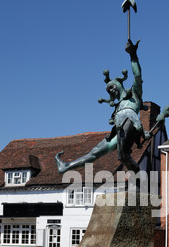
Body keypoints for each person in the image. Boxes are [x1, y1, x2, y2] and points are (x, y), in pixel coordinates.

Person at [55, 39, 151, 174]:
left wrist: (133, 55)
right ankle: (65, 166)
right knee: (95, 153)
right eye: (108, 90)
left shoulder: (134, 95)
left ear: (119, 85)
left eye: (112, 87)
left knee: (121, 155)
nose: (110, 90)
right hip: (119, 130)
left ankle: (137, 178)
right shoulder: (118, 107)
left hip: (130, 123)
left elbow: (137, 76)